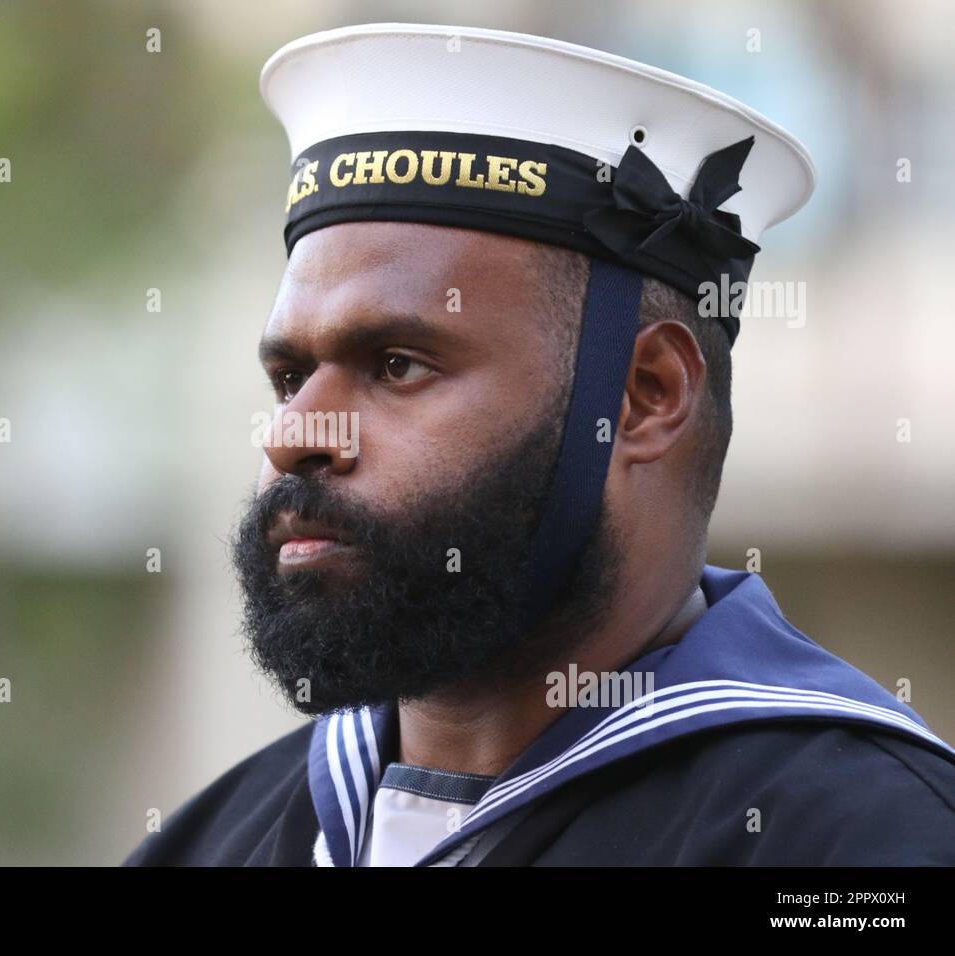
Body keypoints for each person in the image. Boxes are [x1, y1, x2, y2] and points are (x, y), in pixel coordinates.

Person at [123, 22, 955, 866]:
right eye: (290, 376)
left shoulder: (864, 844)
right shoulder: (211, 841)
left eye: (398, 365)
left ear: (646, 396)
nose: (295, 434)